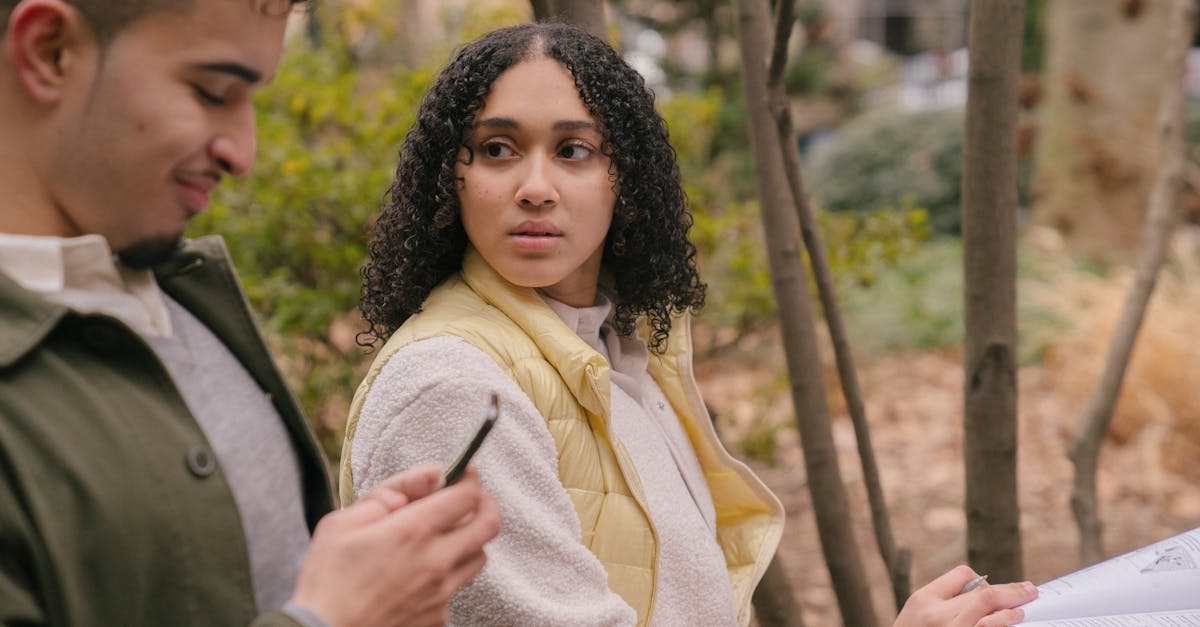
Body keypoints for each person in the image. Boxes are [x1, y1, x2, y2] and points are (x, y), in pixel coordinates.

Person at [339, 22, 1037, 627]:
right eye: (497, 148)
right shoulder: (452, 388)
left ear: (626, 179)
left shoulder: (618, 354)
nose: (535, 185)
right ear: (448, 179)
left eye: (573, 150)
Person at [0, 1, 499, 626]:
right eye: (212, 92)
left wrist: (365, 573)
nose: (244, 153)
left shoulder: (185, 297)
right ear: (51, 52)